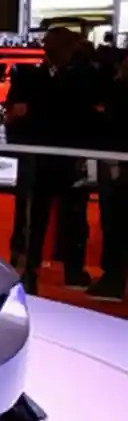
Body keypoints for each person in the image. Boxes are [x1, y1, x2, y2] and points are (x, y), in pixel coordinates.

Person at [6, 27, 103, 293]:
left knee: (74, 217)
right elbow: (15, 112)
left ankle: (73, 269)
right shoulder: (29, 75)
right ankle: (28, 269)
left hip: (69, 156)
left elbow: (88, 113)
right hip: (37, 157)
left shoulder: (84, 76)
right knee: (32, 218)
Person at [89, 57, 128, 300]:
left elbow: (112, 128)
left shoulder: (119, 93)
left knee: (115, 224)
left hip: (118, 166)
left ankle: (113, 279)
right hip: (117, 164)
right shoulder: (117, 90)